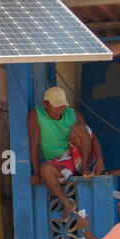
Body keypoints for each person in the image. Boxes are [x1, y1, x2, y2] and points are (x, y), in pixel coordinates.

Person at [27, 86, 104, 218]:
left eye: (62, 106)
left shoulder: (73, 114)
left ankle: (84, 168)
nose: (60, 110)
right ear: (45, 104)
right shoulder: (36, 115)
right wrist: (35, 173)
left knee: (79, 128)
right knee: (44, 169)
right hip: (60, 163)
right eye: (56, 106)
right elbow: (33, 144)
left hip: (79, 156)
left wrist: (100, 159)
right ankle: (66, 203)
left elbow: (93, 137)